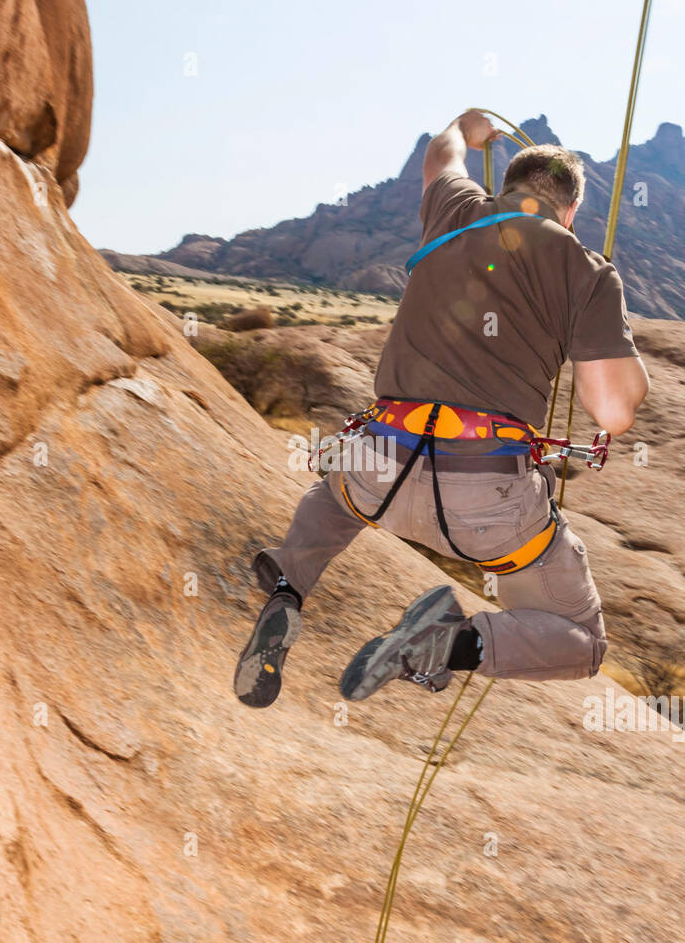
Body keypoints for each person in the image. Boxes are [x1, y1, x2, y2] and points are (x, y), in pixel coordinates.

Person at [234, 110, 649, 708]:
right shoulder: (586, 270)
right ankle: (446, 643)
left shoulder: (454, 208)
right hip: (486, 510)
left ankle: (286, 587)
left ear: (506, 187)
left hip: (376, 471)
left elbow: (441, 154)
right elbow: (611, 412)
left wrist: (468, 124)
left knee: (335, 494)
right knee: (583, 641)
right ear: (570, 212)